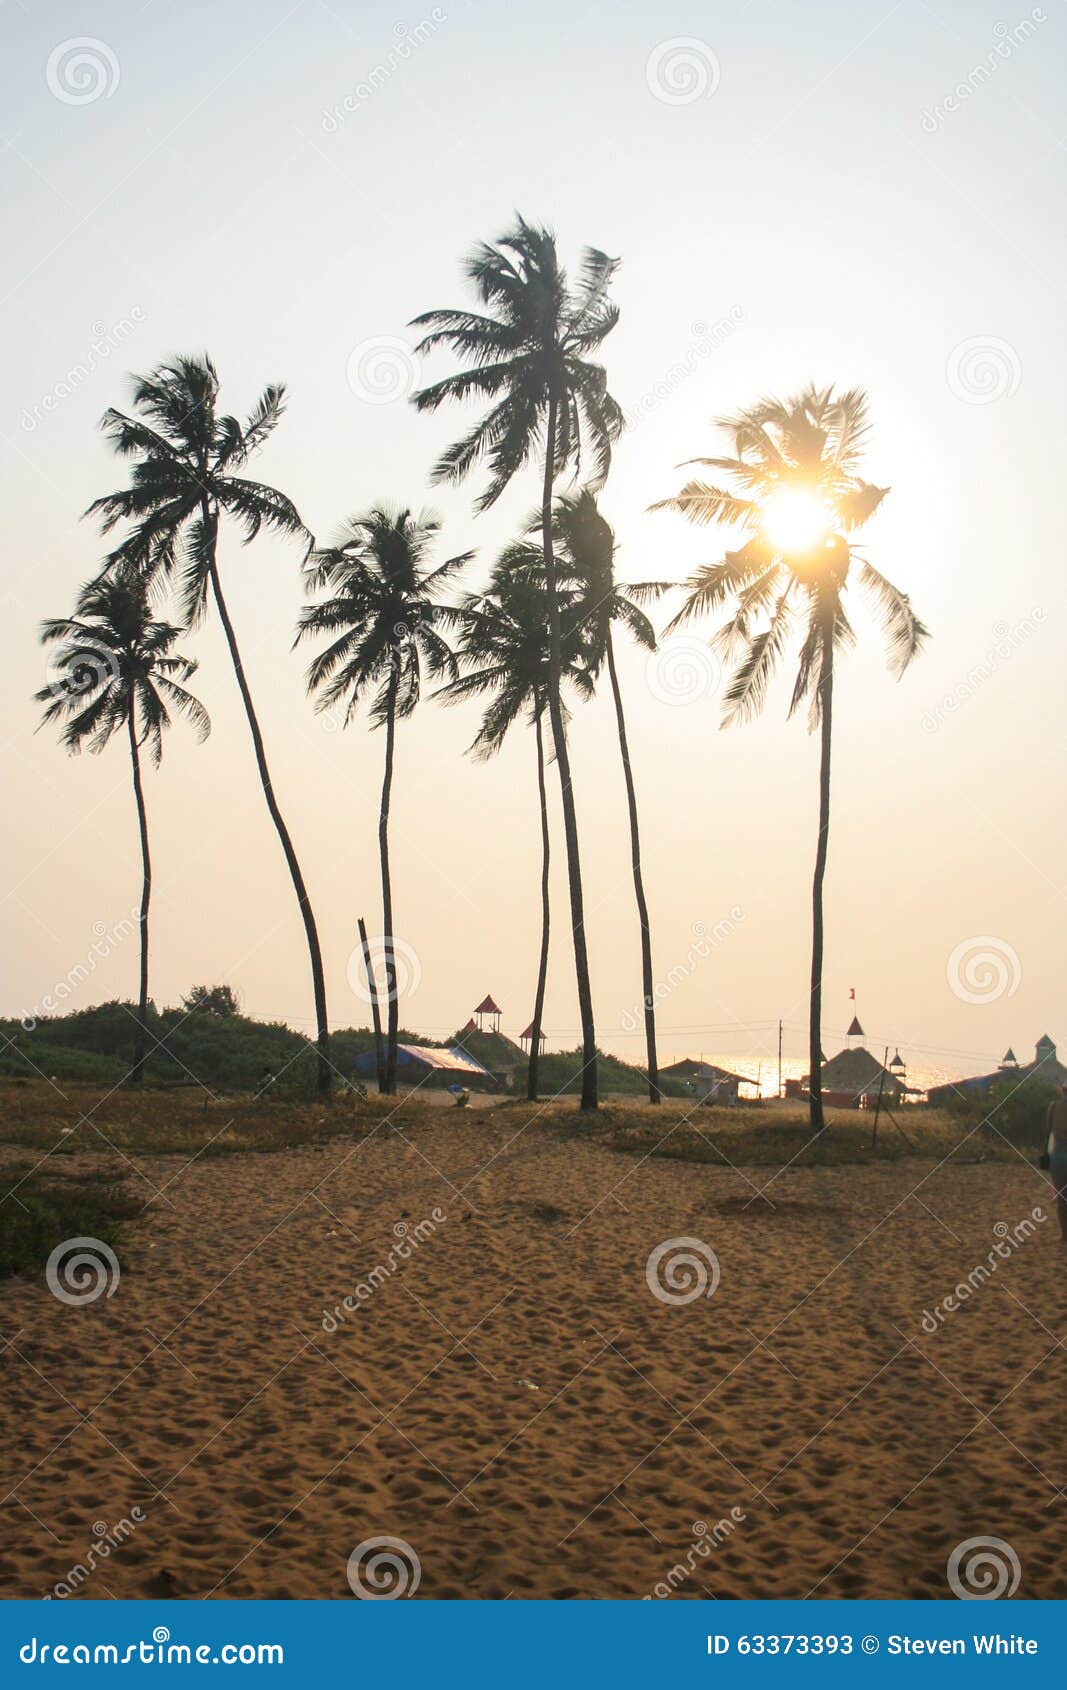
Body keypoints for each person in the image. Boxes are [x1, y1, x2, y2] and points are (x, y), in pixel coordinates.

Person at [1042, 1084, 1067, 1242]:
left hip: (1057, 1157)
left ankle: (1065, 1234)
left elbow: (1049, 1131)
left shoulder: (1053, 1107)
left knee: (1061, 1199)